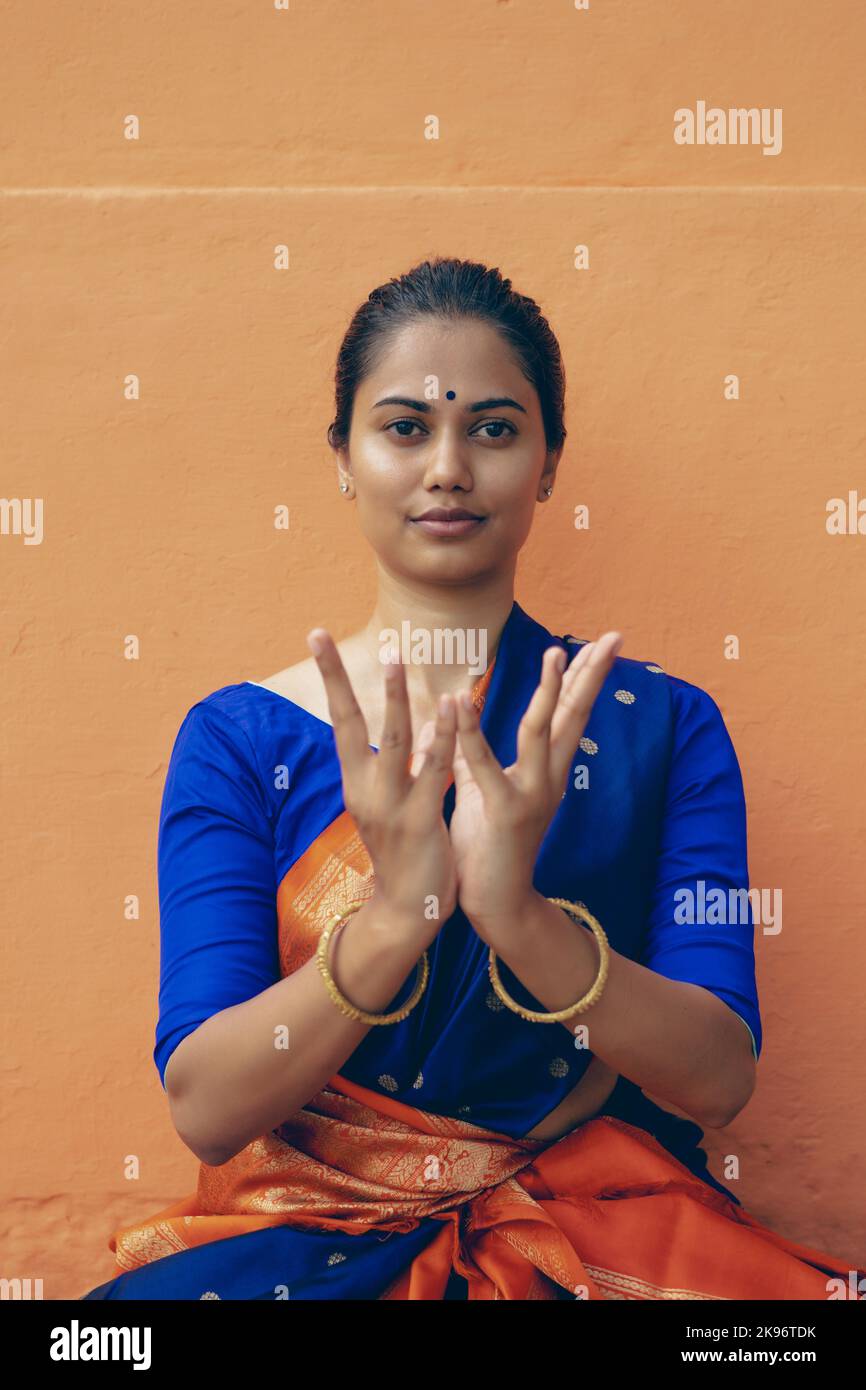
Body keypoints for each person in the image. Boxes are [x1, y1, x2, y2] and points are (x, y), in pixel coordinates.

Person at [82, 257, 861, 1300]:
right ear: (343, 460)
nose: (447, 465)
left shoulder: (656, 725)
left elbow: (717, 1078)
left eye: (491, 428)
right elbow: (208, 1107)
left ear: (545, 462)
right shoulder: (239, 738)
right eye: (404, 427)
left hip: (594, 1227)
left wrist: (514, 914)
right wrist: (396, 917)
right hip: (301, 1242)